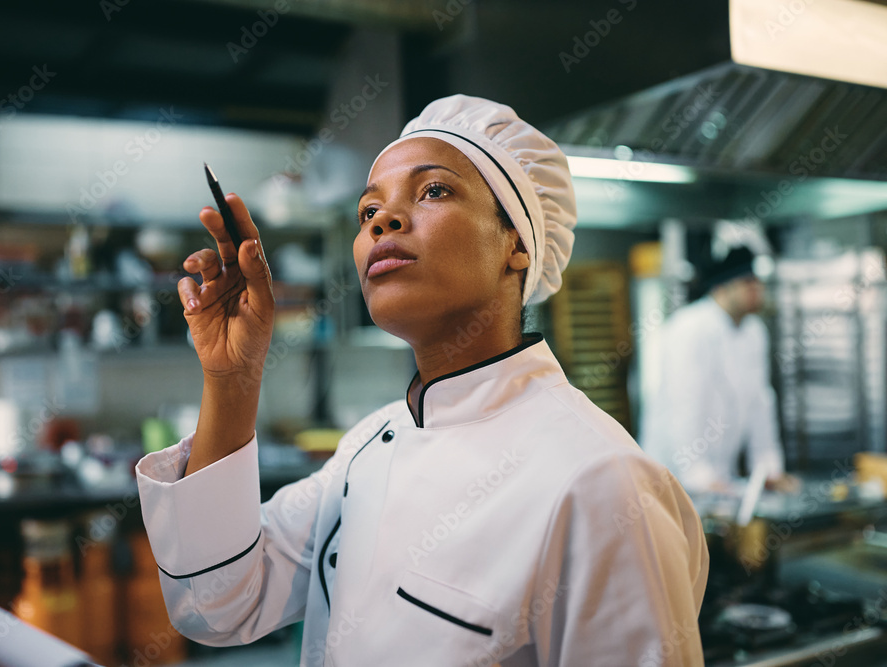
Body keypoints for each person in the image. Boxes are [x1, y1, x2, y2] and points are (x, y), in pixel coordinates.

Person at [136, 95, 708, 666]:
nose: (383, 220)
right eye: (368, 211)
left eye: (434, 190)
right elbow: (218, 605)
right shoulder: (367, 446)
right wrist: (233, 377)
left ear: (517, 244)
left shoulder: (601, 483)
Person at [641, 246, 796, 494]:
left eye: (758, 281)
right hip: (672, 476)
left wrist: (768, 469)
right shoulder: (689, 328)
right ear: (722, 288)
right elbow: (685, 405)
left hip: (721, 478)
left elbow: (760, 402)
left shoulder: (754, 332)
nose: (757, 289)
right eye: (747, 282)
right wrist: (697, 474)